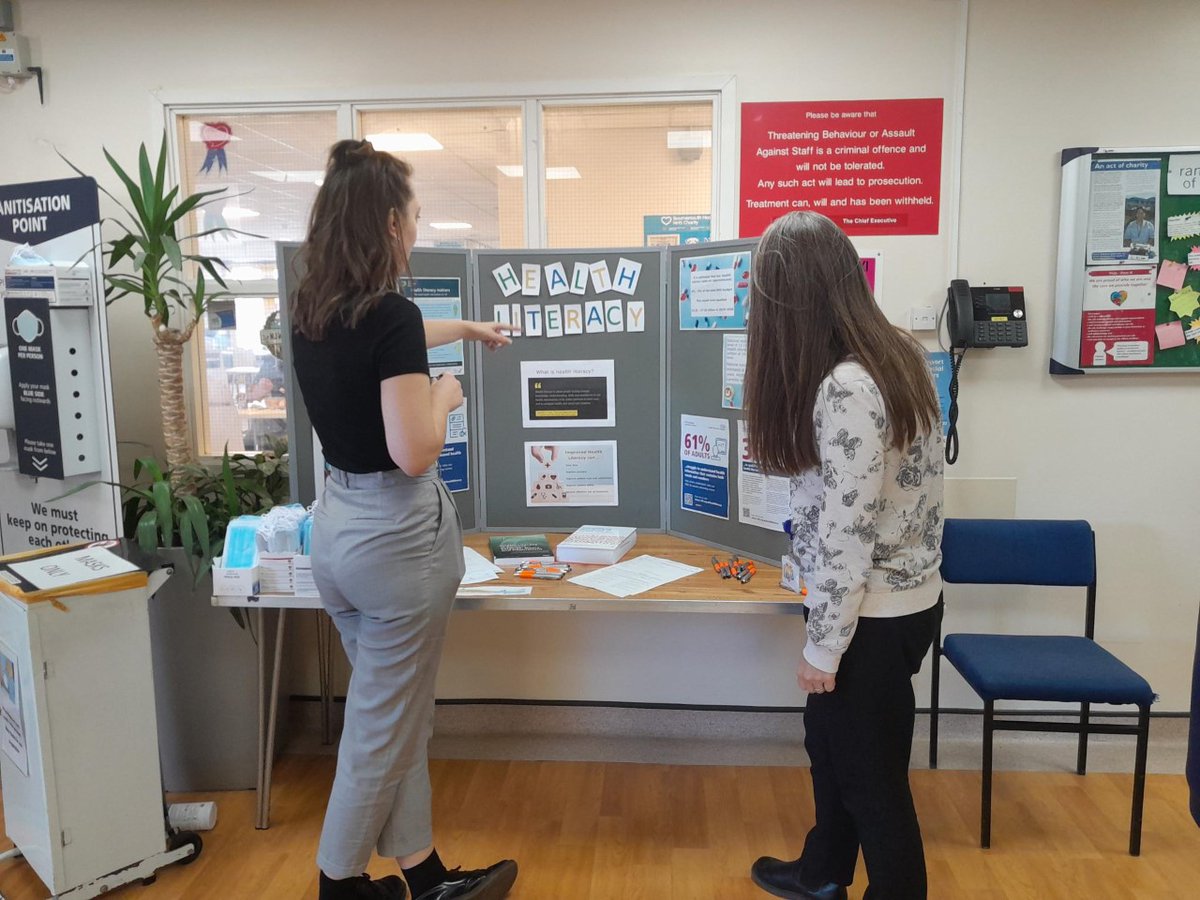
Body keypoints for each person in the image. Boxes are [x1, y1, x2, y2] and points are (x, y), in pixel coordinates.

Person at [291, 139, 519, 900]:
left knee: (395, 714)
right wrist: (447, 397)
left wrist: (467, 330)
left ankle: (422, 875)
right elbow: (417, 449)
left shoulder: (314, 310)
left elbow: (391, 347)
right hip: (395, 543)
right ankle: (340, 882)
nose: (418, 229)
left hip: (340, 533)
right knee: (380, 727)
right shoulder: (387, 313)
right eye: (416, 216)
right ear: (389, 223)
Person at [743, 212, 945, 900]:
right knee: (831, 749)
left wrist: (823, 649)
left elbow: (847, 533)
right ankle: (823, 871)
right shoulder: (897, 353)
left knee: (871, 782)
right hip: (905, 599)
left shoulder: (845, 389)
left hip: (871, 615)